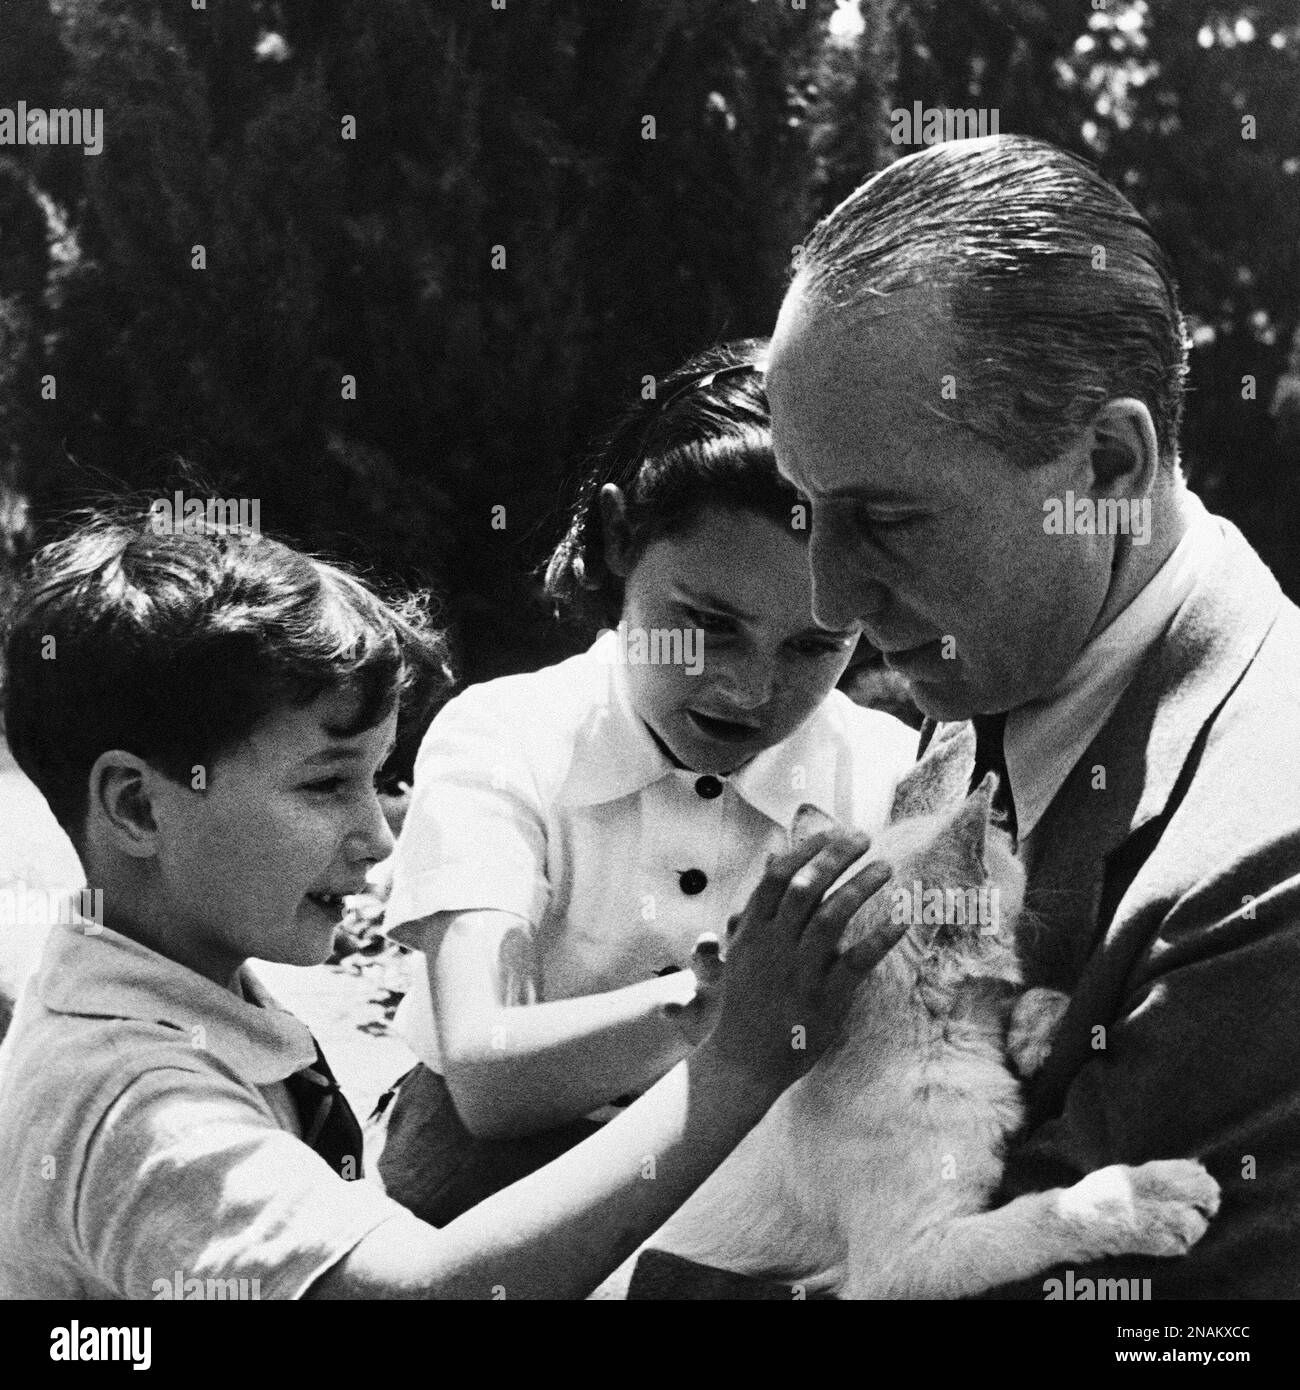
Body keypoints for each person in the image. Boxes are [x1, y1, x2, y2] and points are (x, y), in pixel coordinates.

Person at [652, 133, 1300, 1298]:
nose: (830, 602)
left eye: (886, 522)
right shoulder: (989, 697)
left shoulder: (1268, 865)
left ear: (1104, 462)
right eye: (807, 515)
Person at [0, 506, 902, 1299]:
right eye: (325, 786)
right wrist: (736, 1060)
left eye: (376, 781)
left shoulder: (185, 994)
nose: (377, 836)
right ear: (133, 804)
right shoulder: (135, 1100)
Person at [367, 339, 920, 1225]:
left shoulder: (889, 774)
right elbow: (487, 1071)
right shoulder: (505, 734)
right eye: (708, 624)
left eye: (817, 646)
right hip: (488, 1170)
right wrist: (718, 1008)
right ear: (622, 537)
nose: (748, 691)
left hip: (746, 1165)